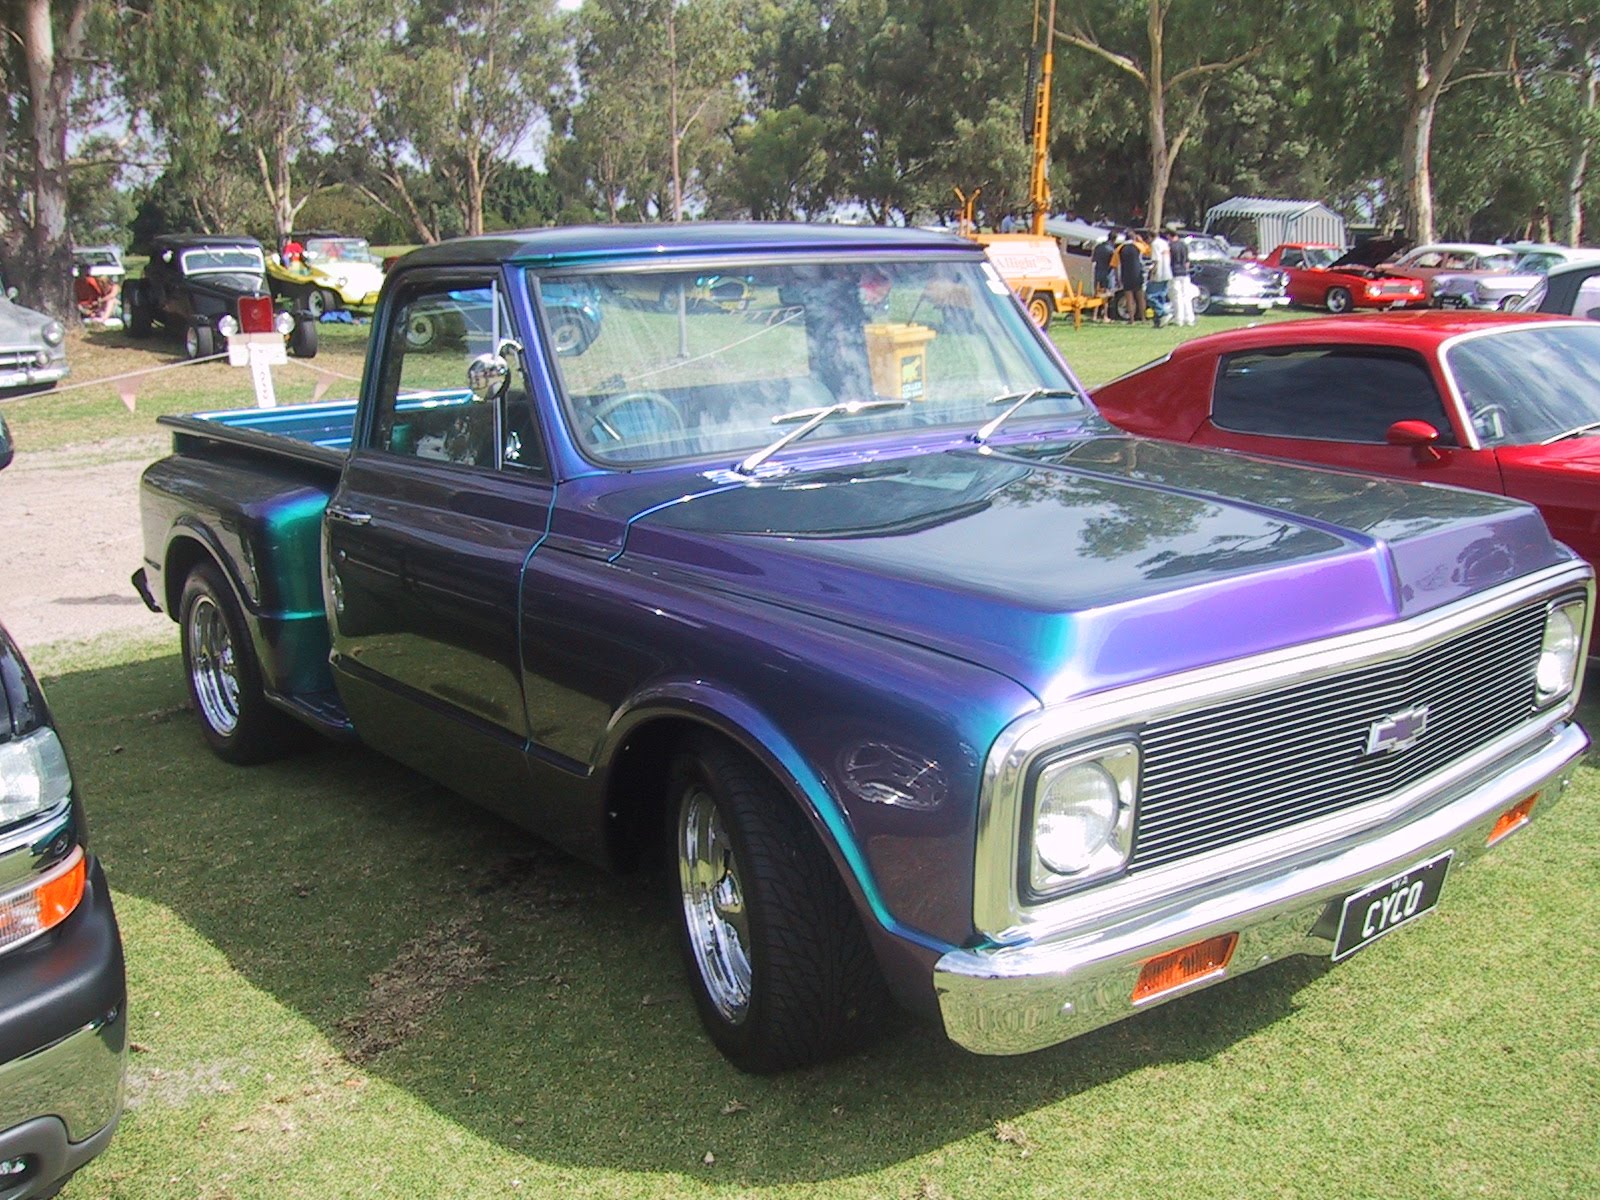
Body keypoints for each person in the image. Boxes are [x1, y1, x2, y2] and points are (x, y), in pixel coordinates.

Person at [1116, 231, 1146, 323]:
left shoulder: (1119, 248)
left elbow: (1115, 264)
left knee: (1129, 298)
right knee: (1140, 297)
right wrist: (1141, 241)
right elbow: (1148, 250)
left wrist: (1118, 278)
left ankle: (1131, 319)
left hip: (1126, 274)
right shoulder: (1138, 246)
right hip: (1137, 274)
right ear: (1134, 238)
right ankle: (1143, 318)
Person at [1167, 229, 1195, 326]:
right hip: (1184, 273)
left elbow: (1168, 261)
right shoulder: (1184, 245)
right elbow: (1187, 261)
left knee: (1177, 297)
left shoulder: (1170, 246)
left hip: (1174, 272)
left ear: (1170, 236)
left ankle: (1179, 319)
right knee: (1186, 296)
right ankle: (1190, 318)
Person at [1147, 230, 1173, 327]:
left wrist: (1152, 273)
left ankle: (1163, 314)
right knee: (1161, 296)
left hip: (1159, 273)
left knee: (1150, 296)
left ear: (1150, 237)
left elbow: (1156, 260)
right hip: (1167, 272)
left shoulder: (1155, 244)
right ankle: (1159, 321)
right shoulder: (1164, 243)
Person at [1090, 235, 1116, 323]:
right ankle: (1105, 316)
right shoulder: (1111, 250)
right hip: (1108, 274)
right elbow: (1113, 264)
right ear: (1114, 240)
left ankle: (1094, 315)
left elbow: (1093, 260)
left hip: (1098, 272)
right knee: (1106, 295)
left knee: (1097, 293)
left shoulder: (1098, 247)